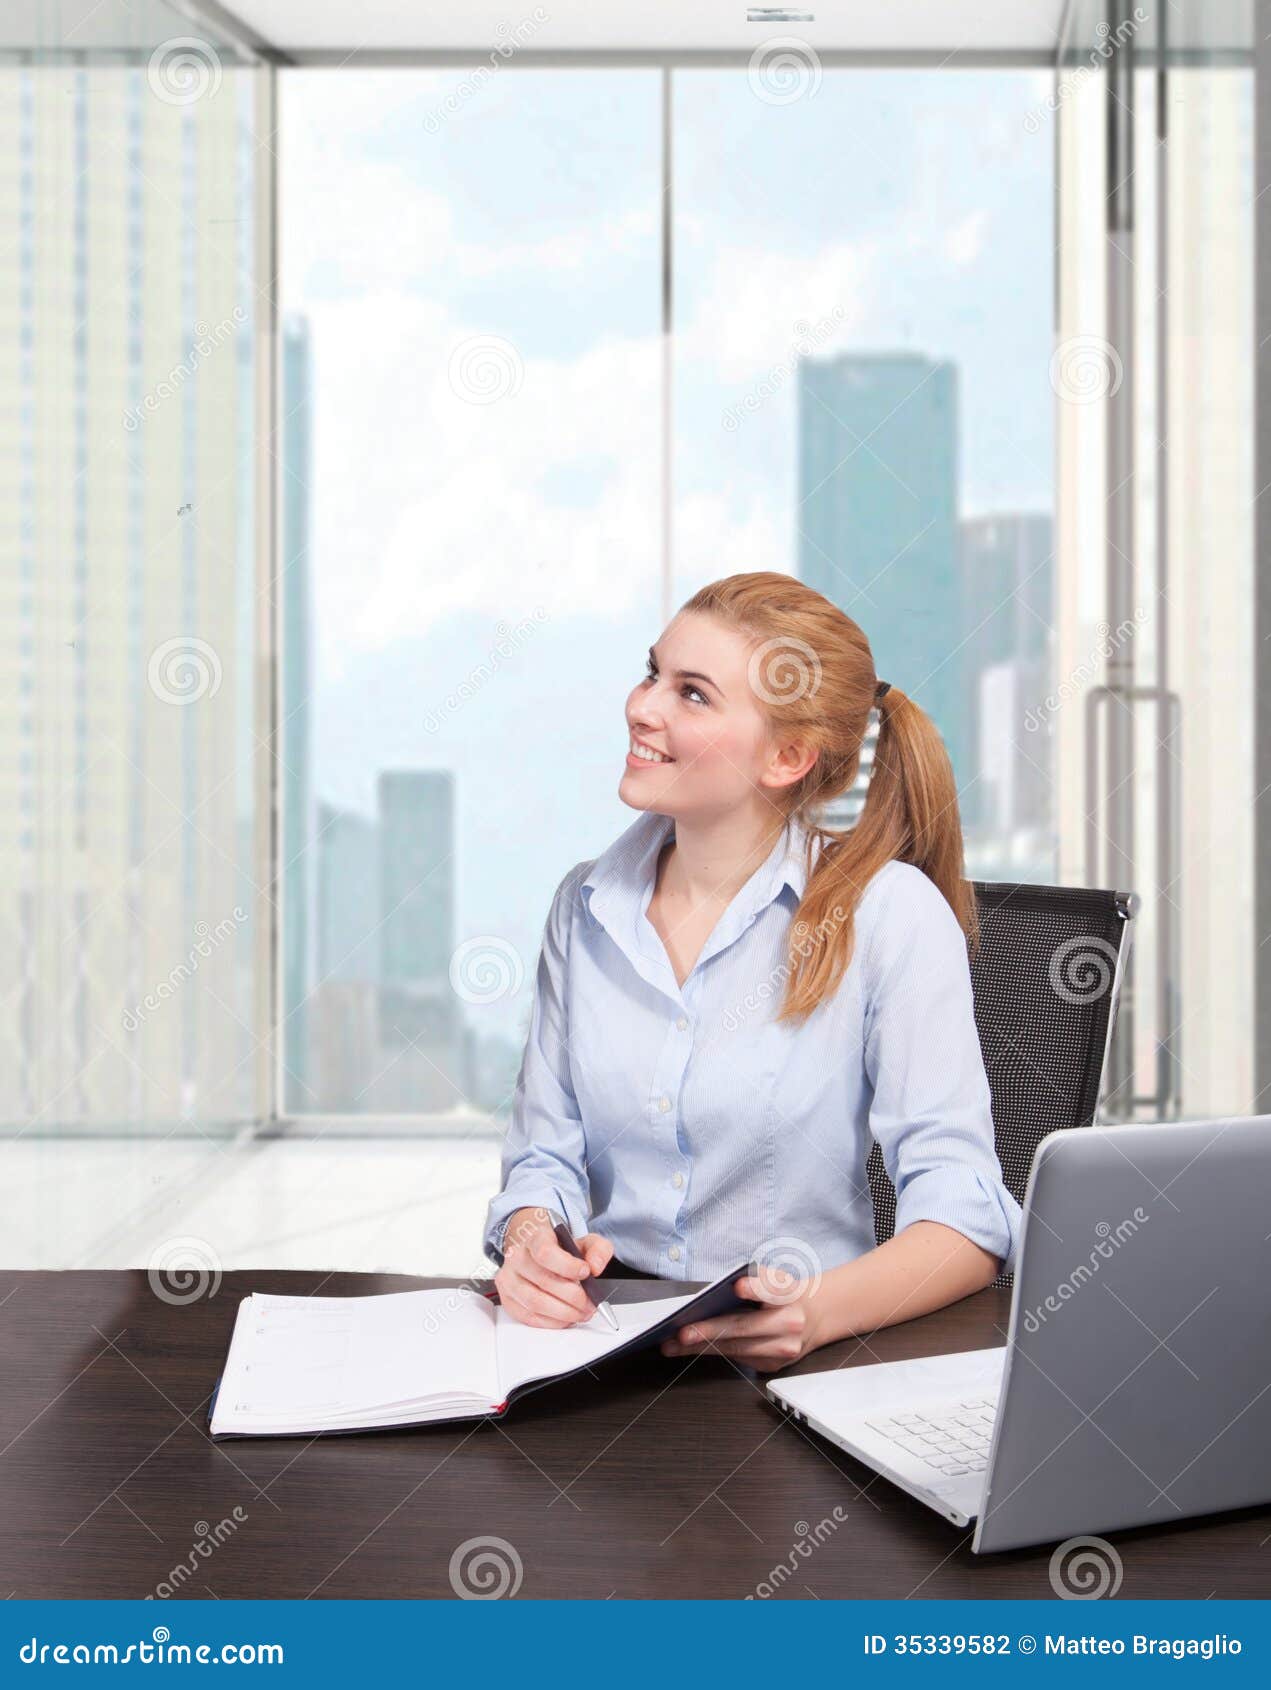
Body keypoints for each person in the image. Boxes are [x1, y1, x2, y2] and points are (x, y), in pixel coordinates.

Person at [483, 571, 1021, 1372]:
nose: (642, 706)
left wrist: (813, 1313)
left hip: (804, 1358)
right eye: (651, 672)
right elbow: (543, 1157)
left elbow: (967, 1221)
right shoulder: (584, 905)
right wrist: (530, 1242)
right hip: (602, 1351)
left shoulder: (885, 914)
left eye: (692, 694)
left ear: (787, 757)